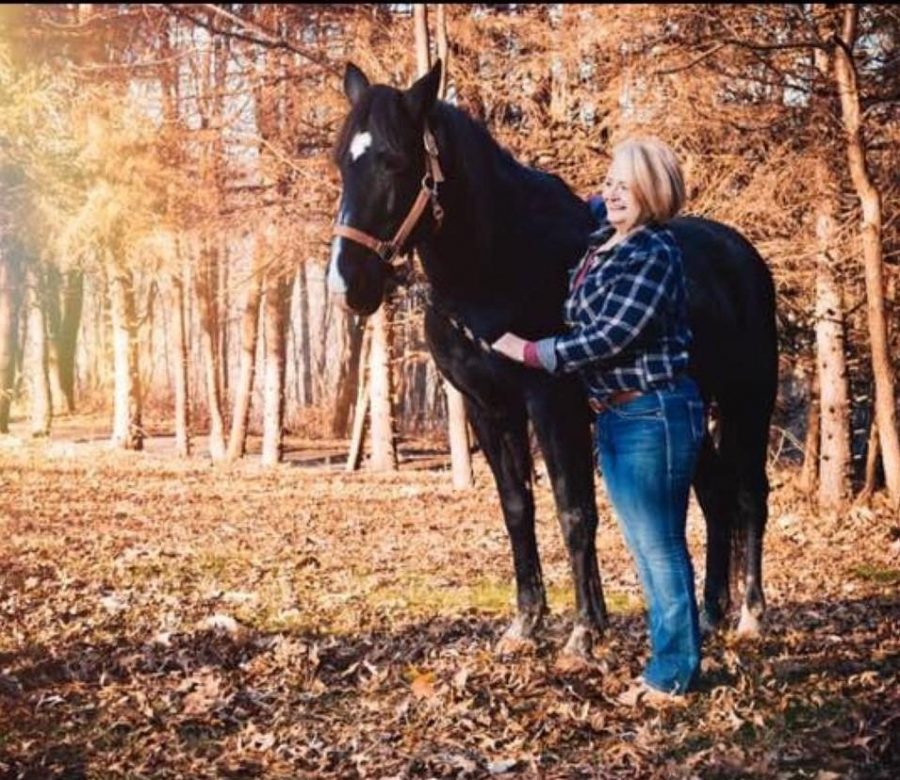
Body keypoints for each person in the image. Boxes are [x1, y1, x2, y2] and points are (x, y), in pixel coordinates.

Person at [492, 137, 705, 705]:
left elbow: (609, 336)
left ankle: (673, 675)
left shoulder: (652, 252)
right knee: (645, 547)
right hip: (617, 416)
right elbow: (575, 208)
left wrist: (528, 351)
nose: (611, 193)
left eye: (626, 185)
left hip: (653, 413)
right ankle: (674, 660)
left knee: (659, 548)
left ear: (652, 191)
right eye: (609, 182)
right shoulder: (607, 241)